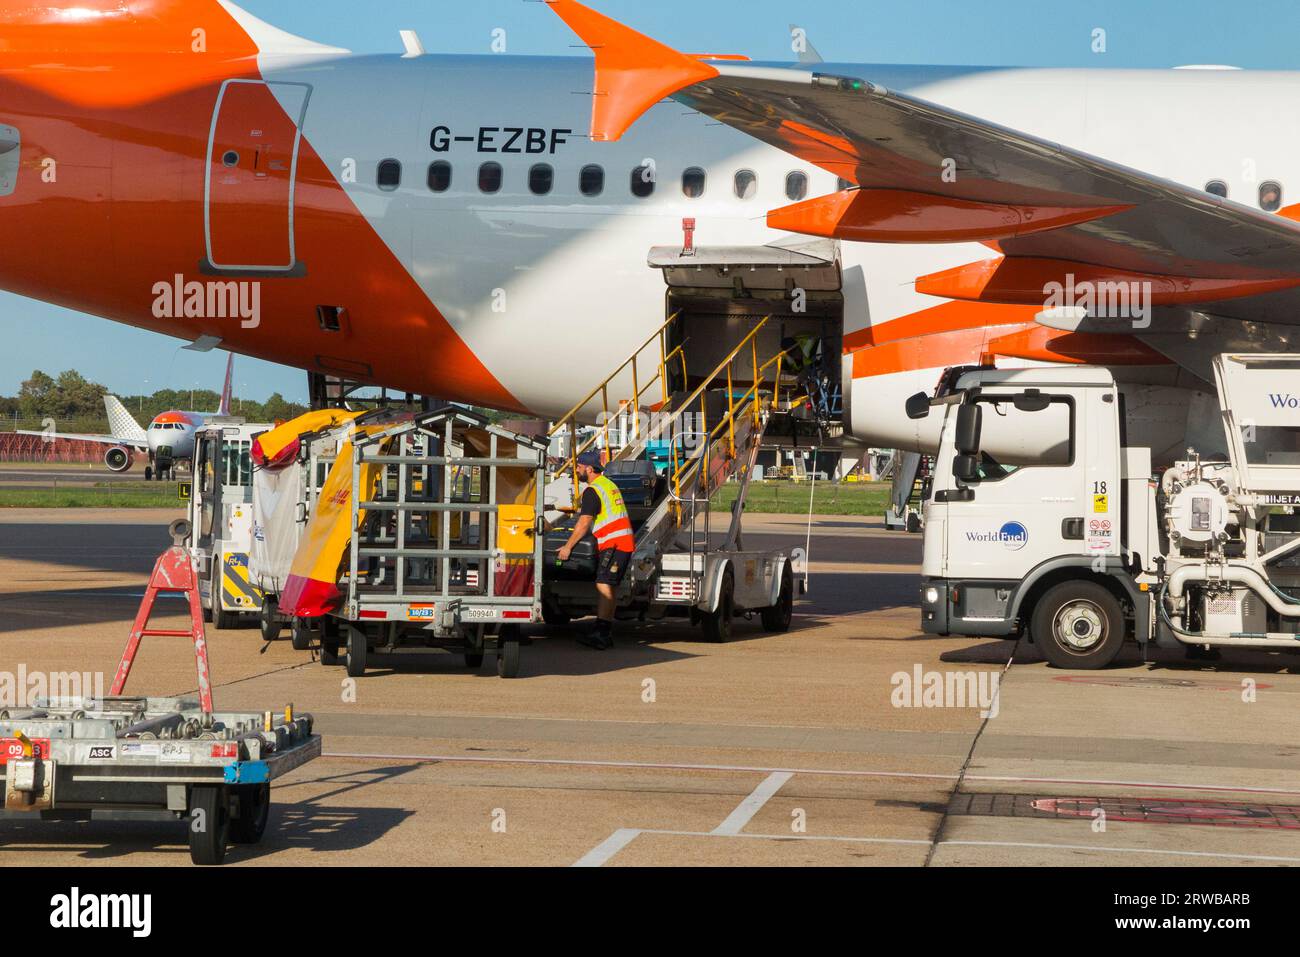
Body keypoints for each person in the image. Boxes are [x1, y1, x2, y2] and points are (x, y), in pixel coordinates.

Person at [557, 450, 634, 649]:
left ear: (589, 469)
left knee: (603, 584)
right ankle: (603, 630)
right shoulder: (608, 484)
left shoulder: (593, 491)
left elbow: (584, 523)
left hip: (614, 543)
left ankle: (602, 632)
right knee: (608, 584)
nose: (577, 470)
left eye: (580, 467)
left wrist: (567, 547)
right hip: (620, 542)